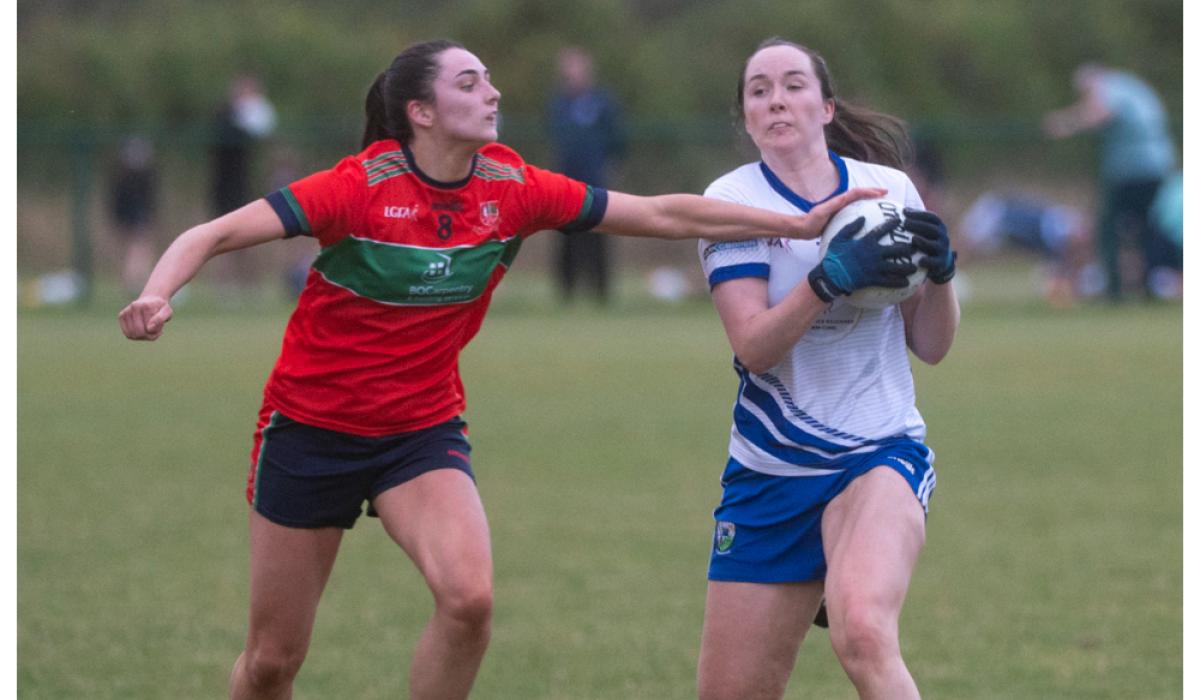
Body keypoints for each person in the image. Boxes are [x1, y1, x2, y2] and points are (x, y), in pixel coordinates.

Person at [118, 40, 883, 700]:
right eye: (470, 82)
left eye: (489, 80)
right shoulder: (359, 187)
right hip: (312, 430)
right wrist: (156, 292)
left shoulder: (510, 188)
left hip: (419, 432)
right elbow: (211, 232)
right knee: (272, 661)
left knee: (470, 600)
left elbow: (660, 214)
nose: (494, 92)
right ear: (420, 112)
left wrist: (796, 222)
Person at [694, 38, 960, 700]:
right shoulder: (731, 201)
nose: (776, 99)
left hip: (879, 451)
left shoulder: (890, 190)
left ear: (825, 106)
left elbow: (930, 345)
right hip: (772, 473)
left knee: (863, 631)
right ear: (745, 116)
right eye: (759, 90)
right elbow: (754, 347)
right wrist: (829, 279)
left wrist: (944, 277)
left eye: (792, 85)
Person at [1043, 64, 1177, 301]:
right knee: (1145, 226)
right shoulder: (1131, 86)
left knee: (1108, 227)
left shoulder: (1107, 88)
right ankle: (1147, 288)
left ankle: (1114, 290)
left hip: (1131, 169)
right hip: (1158, 165)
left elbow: (1101, 113)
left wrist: (1067, 124)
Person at [546, 46, 626, 303]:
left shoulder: (603, 102)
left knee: (597, 235)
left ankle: (601, 294)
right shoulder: (558, 104)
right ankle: (566, 294)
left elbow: (617, 139)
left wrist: (605, 163)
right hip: (564, 182)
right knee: (567, 238)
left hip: (595, 181)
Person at [958, 191, 1091, 307]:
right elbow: (1065, 255)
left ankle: (953, 277)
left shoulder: (1062, 228)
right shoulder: (1061, 228)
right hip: (993, 212)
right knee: (967, 247)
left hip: (997, 212)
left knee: (971, 249)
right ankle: (951, 277)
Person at [210, 74, 278, 295]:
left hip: (243, 184)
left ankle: (249, 285)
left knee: (248, 238)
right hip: (224, 185)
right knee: (221, 236)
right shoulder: (225, 117)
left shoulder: (249, 118)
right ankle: (226, 287)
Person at [108, 136, 159, 295]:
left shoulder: (122, 176)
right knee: (139, 249)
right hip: (136, 216)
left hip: (129, 215)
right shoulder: (135, 178)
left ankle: (133, 283)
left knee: (135, 249)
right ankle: (134, 284)